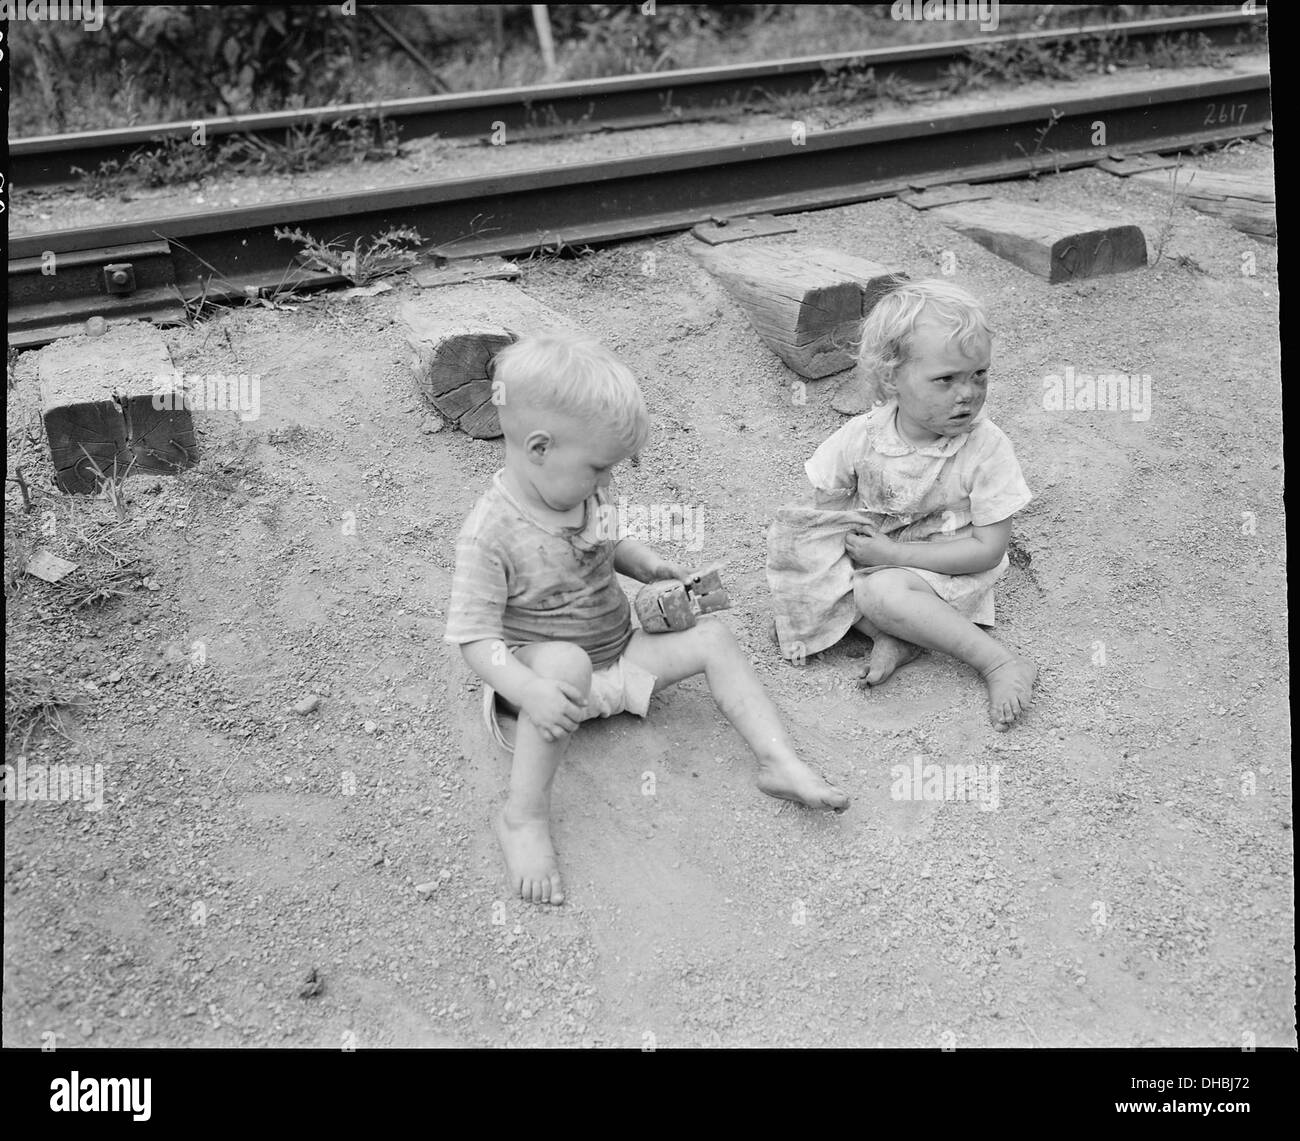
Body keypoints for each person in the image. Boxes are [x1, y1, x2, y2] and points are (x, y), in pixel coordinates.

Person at [446, 332, 848, 905]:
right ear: (538, 448)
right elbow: (474, 639)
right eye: (599, 467)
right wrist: (528, 688)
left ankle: (777, 759)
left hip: (619, 662)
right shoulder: (490, 534)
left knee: (711, 635)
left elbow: (609, 544)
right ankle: (523, 817)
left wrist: (647, 564)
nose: (609, 481)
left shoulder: (583, 495)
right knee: (565, 658)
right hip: (545, 691)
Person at [767, 279, 1036, 731]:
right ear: (892, 378)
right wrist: (823, 547)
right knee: (799, 565)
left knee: (878, 591)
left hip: (945, 569)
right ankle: (895, 635)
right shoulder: (865, 435)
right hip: (878, 555)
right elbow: (825, 502)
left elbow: (988, 549)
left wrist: (893, 557)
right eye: (946, 379)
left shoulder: (986, 448)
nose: (968, 393)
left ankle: (997, 662)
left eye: (979, 375)